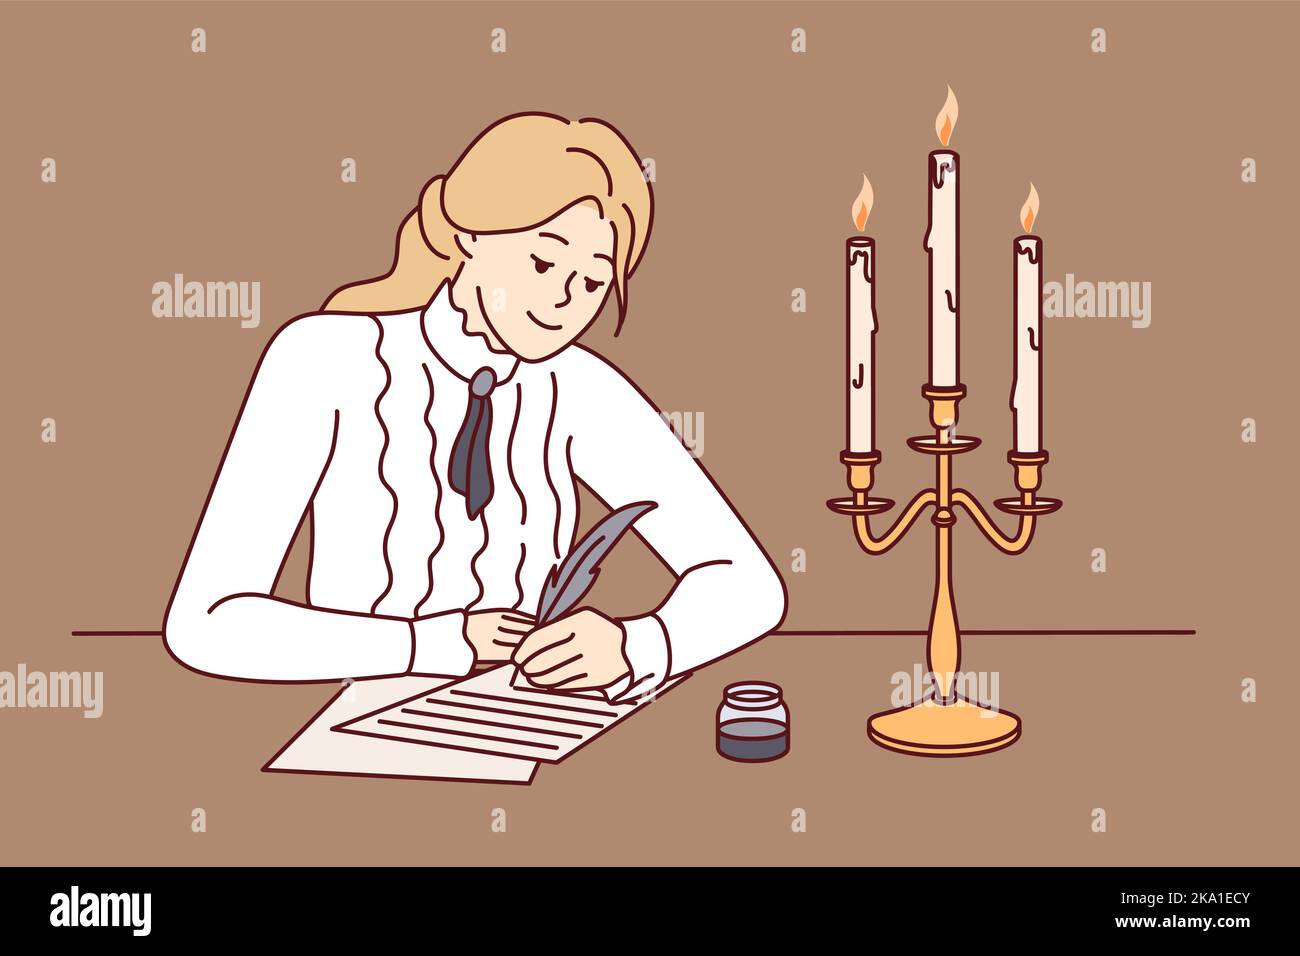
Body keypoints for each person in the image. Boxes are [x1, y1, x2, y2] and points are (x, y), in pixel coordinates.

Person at [162, 112, 786, 701]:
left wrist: (637, 643)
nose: (566, 298)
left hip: (527, 725)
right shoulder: (325, 359)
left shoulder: (583, 388)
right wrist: (431, 644)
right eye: (543, 260)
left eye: (594, 281)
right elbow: (206, 623)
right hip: (345, 726)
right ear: (468, 235)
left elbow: (751, 585)